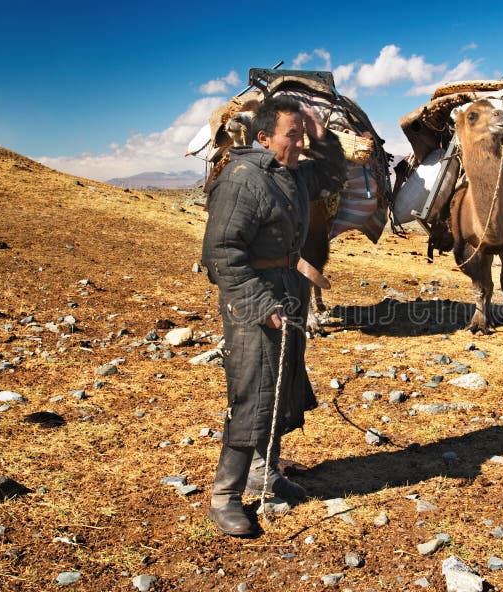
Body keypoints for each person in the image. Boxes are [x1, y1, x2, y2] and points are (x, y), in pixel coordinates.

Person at [201, 96, 346, 537]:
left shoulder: (293, 174)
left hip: (290, 292)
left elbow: (334, 172)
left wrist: (321, 134)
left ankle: (265, 474)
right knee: (253, 392)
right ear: (263, 138)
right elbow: (220, 254)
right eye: (292, 135)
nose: (299, 143)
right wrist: (260, 306)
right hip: (255, 303)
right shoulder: (243, 180)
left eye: (302, 135)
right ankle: (224, 496)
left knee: (283, 384)